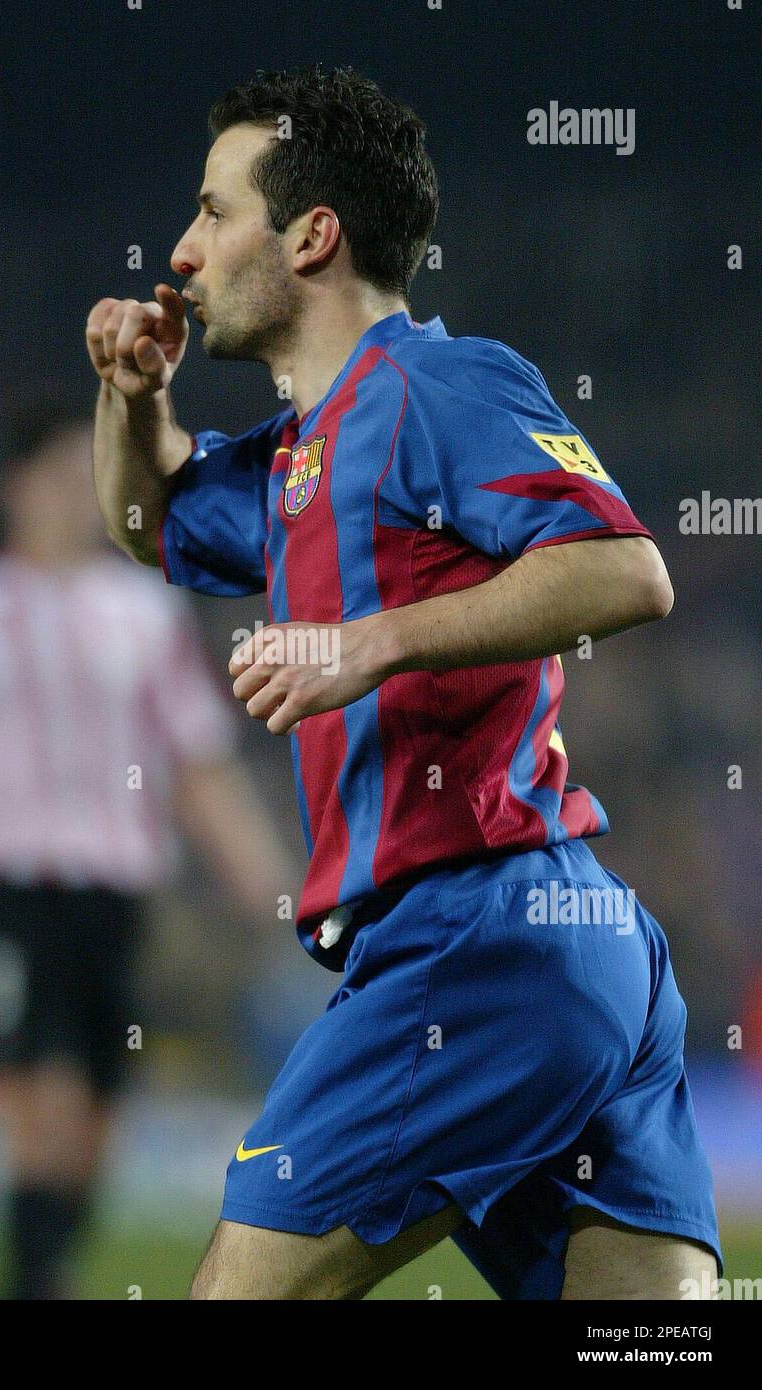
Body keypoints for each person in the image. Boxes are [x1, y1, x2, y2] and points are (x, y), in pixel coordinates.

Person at [85, 65, 723, 1301]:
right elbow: (146, 525)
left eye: (214, 211)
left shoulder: (440, 385)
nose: (182, 250)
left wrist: (367, 642)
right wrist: (134, 400)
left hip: (478, 941)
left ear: (311, 236)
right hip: (573, 958)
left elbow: (625, 569)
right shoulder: (300, 453)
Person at [0, 403, 295, 1299]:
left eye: (91, 479)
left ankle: (35, 1274)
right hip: (6, 894)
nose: (79, 497)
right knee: (43, 1105)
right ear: (15, 487)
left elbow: (199, 768)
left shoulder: (144, 616)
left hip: (114, 902)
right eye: (62, 477)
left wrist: (270, 889)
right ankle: (39, 1281)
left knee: (95, 1126)